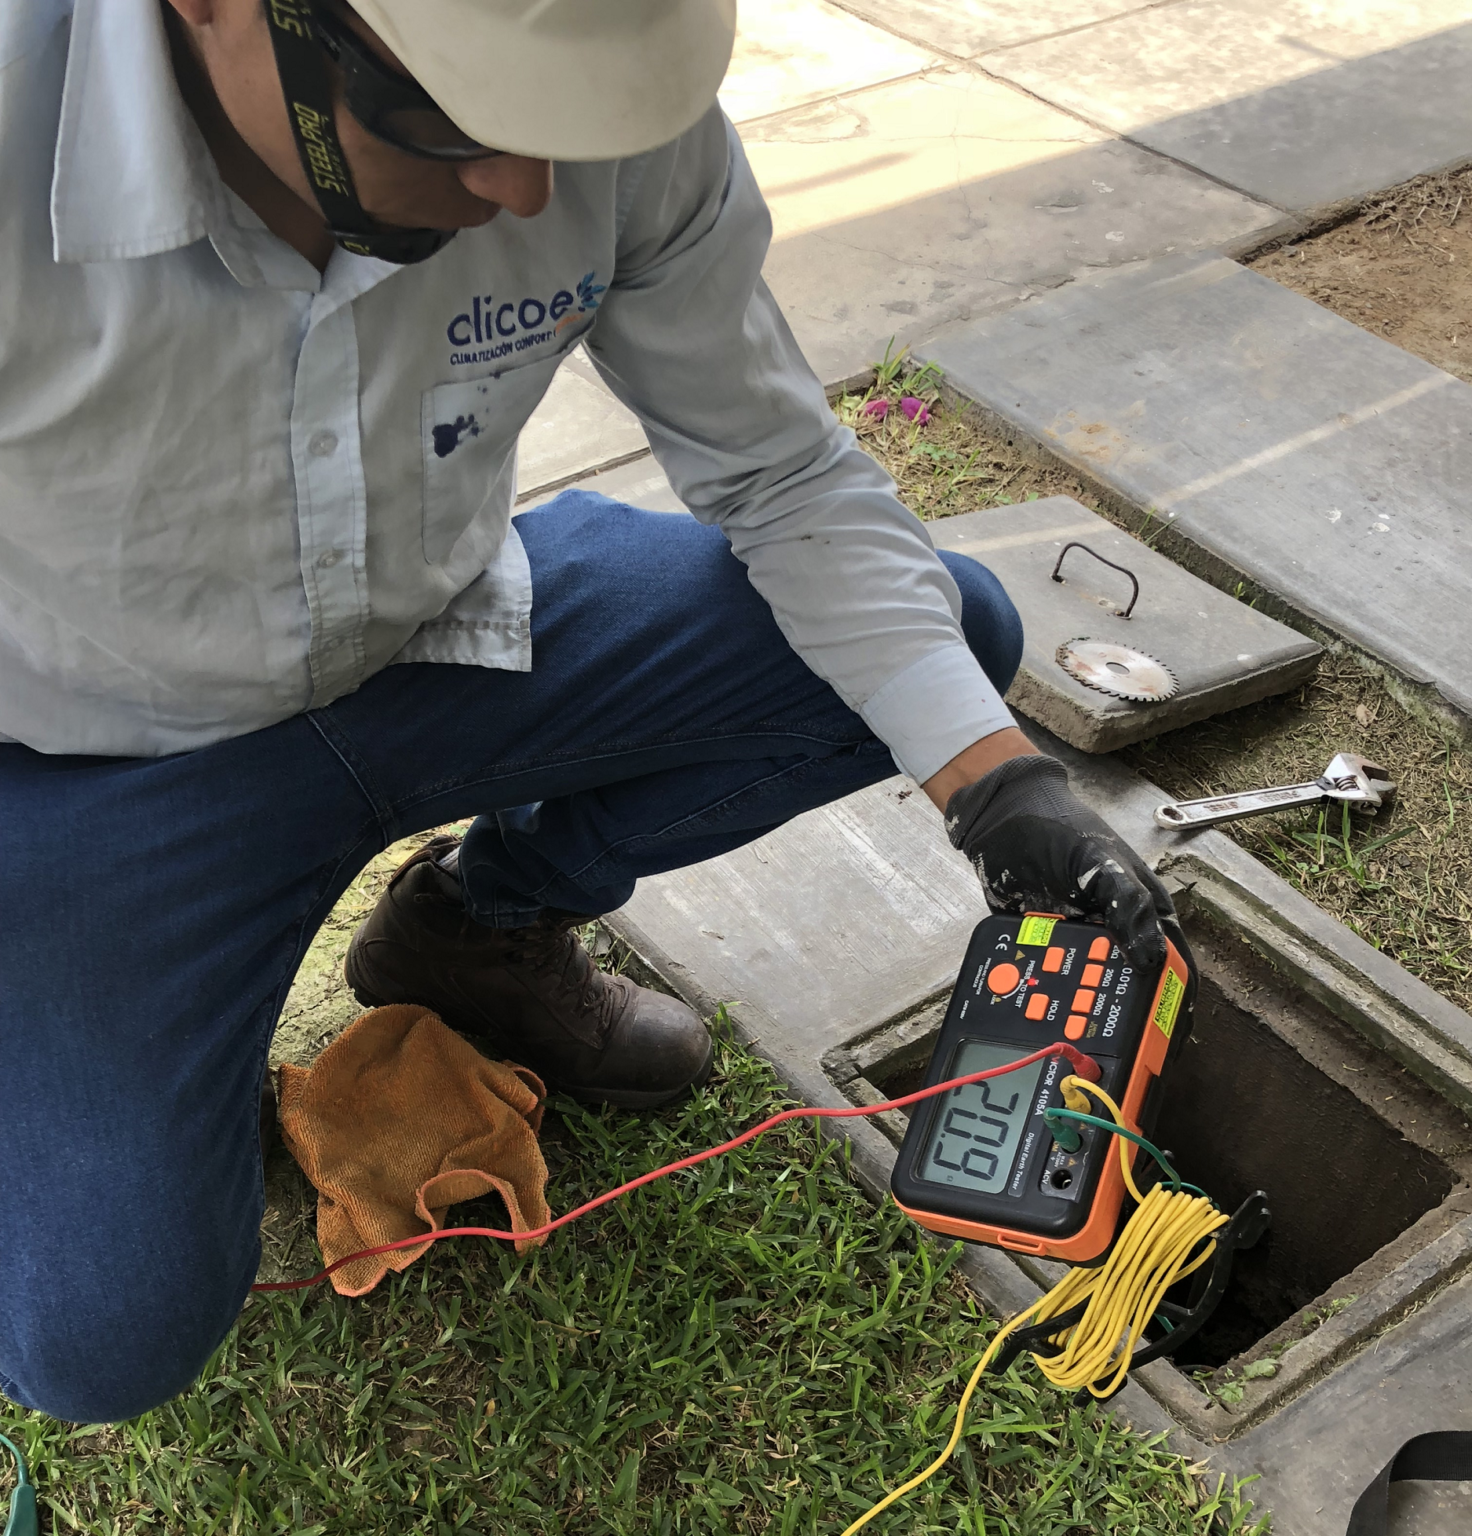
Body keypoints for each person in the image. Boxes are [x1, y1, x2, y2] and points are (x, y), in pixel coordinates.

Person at [0, 0, 1178, 1426]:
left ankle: (476, 927)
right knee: (99, 1341)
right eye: (449, 120)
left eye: (573, 125)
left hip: (437, 642)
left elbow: (784, 474)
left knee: (954, 643)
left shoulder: (589, 108)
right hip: (106, 765)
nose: (523, 190)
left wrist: (998, 788)